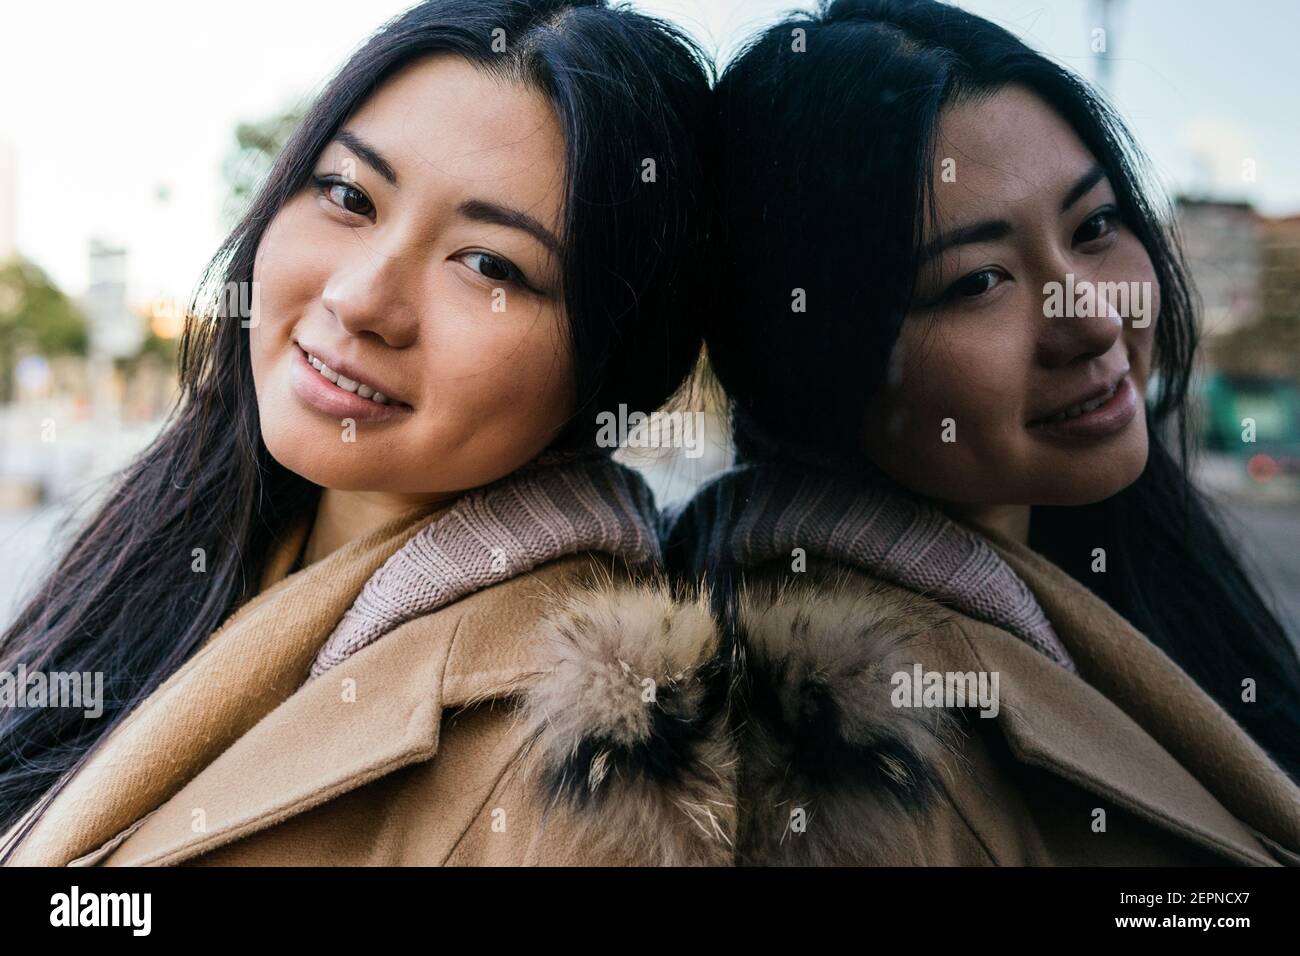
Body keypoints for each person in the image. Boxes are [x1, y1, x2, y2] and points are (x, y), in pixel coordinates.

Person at [0, 0, 732, 866]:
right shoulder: (181, 529)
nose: (359, 299)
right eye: (349, 195)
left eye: (489, 265)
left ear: (615, 361)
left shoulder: (576, 775)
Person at [666, 0, 1300, 865]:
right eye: (978, 281)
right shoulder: (861, 771)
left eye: (1096, 227)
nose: (1095, 320)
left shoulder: (1108, 556)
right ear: (815, 351)